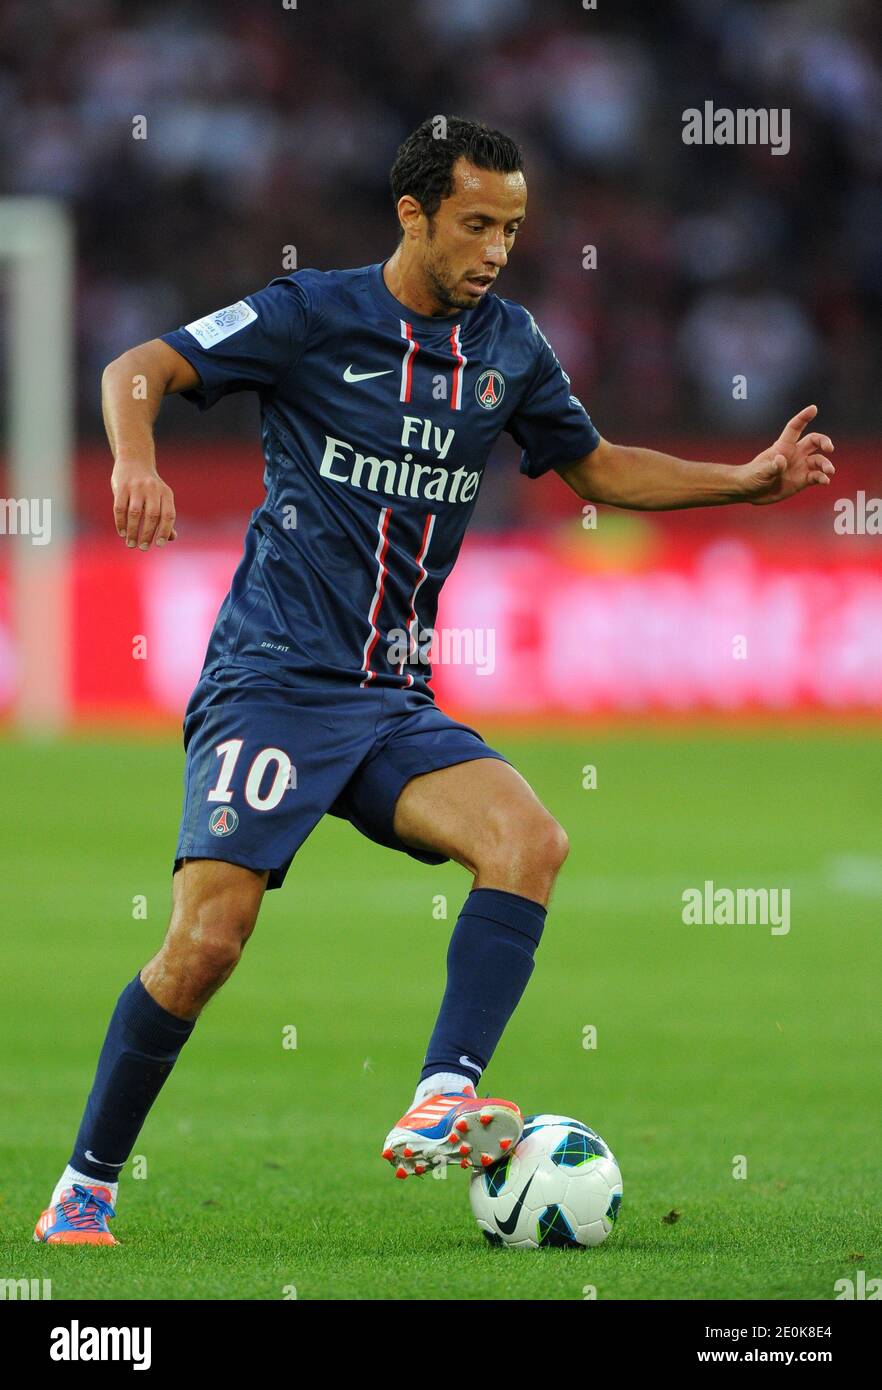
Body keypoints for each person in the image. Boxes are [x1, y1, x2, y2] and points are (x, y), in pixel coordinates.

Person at [35, 117, 835, 1244]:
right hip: (270, 679)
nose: (497, 248)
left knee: (532, 841)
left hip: (391, 696)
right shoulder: (310, 314)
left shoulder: (509, 347)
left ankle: (443, 1091)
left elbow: (596, 465)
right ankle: (85, 1185)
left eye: (511, 226)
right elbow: (138, 368)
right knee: (209, 941)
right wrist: (133, 458)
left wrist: (744, 483)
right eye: (475, 224)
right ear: (412, 214)